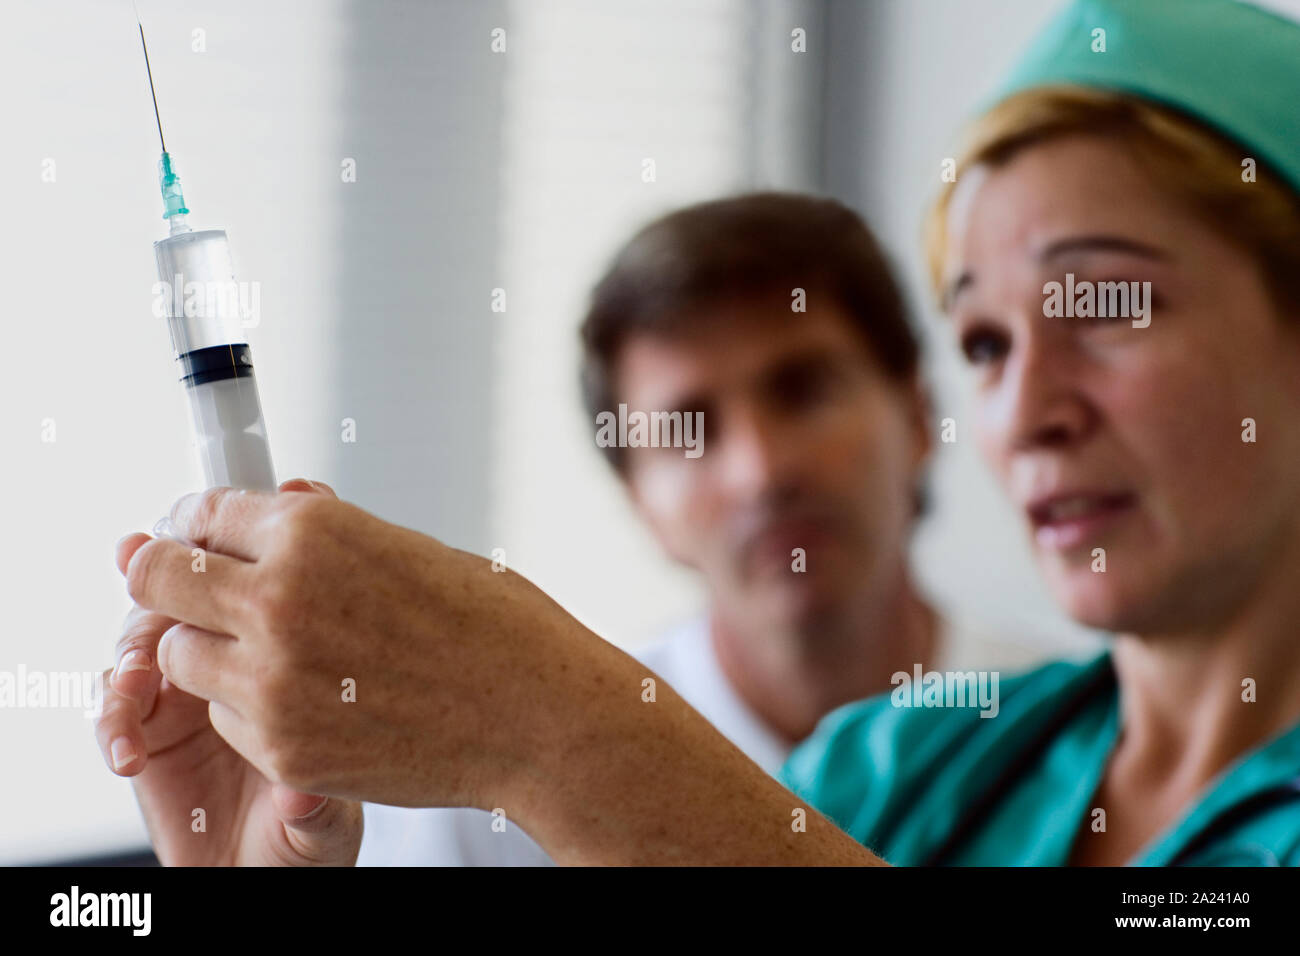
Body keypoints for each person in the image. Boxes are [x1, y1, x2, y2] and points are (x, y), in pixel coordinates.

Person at [95, 0, 1300, 865]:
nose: (1031, 410)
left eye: (1110, 303)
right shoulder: (894, 762)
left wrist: (545, 725)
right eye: (984, 340)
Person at [355, 193, 1047, 865]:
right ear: (641, 504)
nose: (761, 470)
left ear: (919, 417)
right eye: (690, 431)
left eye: (803, 390)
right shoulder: (496, 817)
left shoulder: (1082, 743)